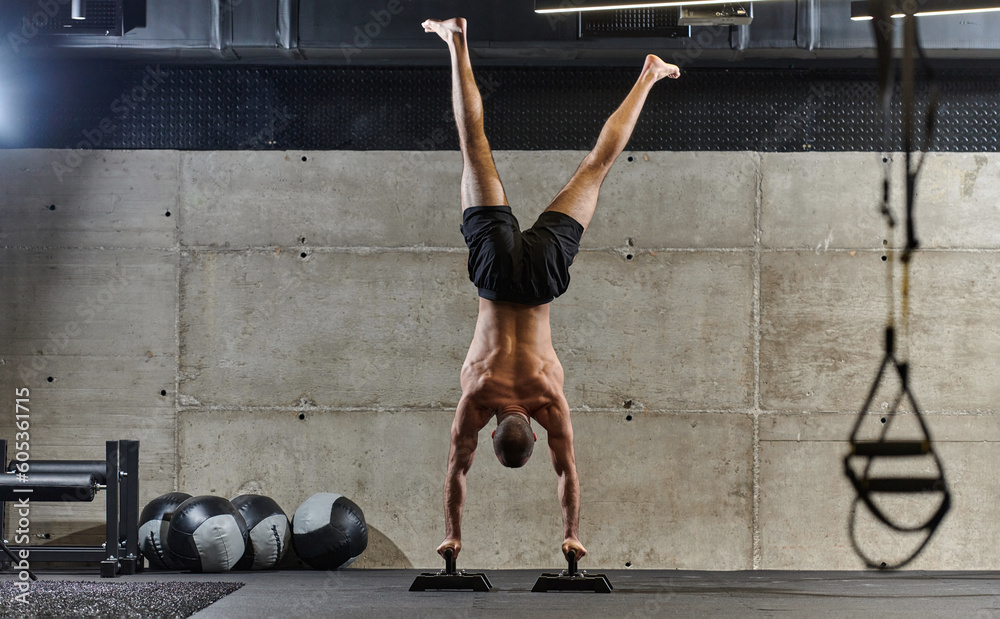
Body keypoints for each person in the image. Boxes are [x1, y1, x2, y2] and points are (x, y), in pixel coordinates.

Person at [422, 17, 680, 564]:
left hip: (542, 279)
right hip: (495, 277)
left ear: (532, 435)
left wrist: (573, 532)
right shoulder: (478, 399)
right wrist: (451, 533)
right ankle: (457, 39)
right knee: (474, 147)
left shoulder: (549, 401)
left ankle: (650, 76)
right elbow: (456, 469)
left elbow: (567, 472)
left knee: (596, 166)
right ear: (496, 434)